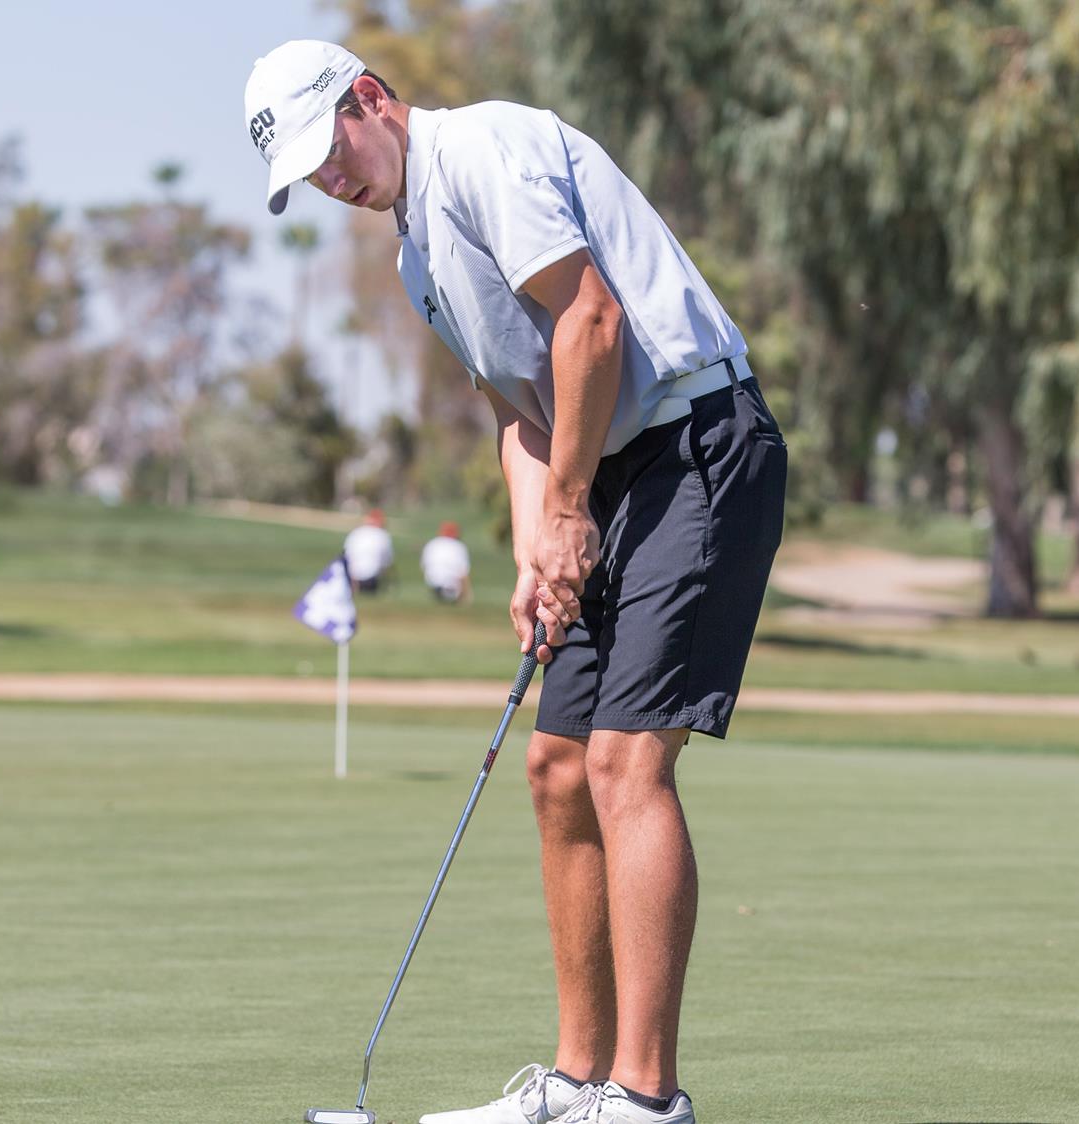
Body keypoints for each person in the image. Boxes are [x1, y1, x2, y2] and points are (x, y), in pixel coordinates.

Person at [245, 40, 788, 1124]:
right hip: (604, 466)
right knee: (552, 767)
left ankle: (645, 1094)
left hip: (696, 444)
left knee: (627, 762)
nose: (330, 181)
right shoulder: (414, 259)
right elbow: (519, 410)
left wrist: (570, 506)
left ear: (368, 98)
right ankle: (576, 1080)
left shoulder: (483, 148)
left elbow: (591, 321)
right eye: (307, 175)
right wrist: (536, 543)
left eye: (328, 150)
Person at [343, 507, 394, 594]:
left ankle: (354, 587)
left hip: (349, 579)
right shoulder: (383, 535)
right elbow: (387, 563)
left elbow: (345, 556)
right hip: (370, 581)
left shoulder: (355, 533)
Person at [421, 521, 473, 604]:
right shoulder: (459, 546)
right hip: (451, 589)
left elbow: (424, 567)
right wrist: (467, 595)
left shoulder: (431, 543)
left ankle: (439, 594)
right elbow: (463, 574)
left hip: (432, 587)